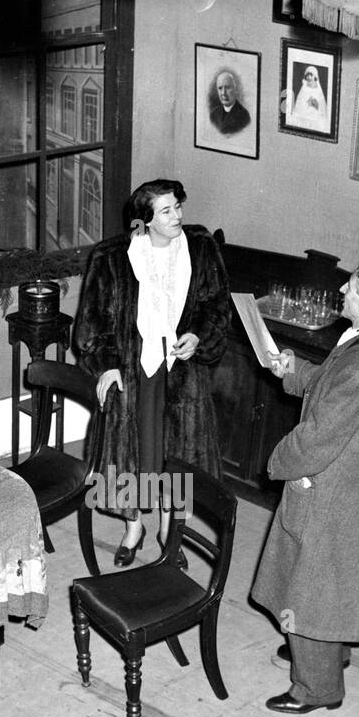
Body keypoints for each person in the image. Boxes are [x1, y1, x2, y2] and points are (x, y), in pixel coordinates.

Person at [250, 256, 359, 714]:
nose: (342, 290)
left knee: (311, 586)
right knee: (333, 580)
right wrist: (292, 369)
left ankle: (316, 687)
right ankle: (327, 656)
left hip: (329, 488)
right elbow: (329, 382)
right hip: (354, 486)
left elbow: (317, 438)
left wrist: (277, 461)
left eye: (350, 287)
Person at [73, 178, 231, 566]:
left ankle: (167, 529)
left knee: (173, 454)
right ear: (144, 221)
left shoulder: (201, 248)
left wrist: (198, 336)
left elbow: (217, 307)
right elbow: (91, 325)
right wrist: (106, 367)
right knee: (135, 455)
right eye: (166, 210)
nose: (177, 215)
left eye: (178, 206)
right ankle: (133, 527)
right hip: (133, 371)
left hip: (180, 372)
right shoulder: (112, 257)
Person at [287, 65, 328, 132]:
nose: (309, 77)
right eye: (307, 75)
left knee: (315, 118)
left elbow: (320, 100)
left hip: (314, 108)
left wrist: (314, 102)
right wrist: (306, 102)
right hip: (304, 107)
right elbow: (300, 98)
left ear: (315, 76)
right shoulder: (305, 85)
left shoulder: (317, 87)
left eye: (311, 75)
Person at [209, 70, 251, 135]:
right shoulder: (213, 114)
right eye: (220, 88)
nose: (223, 93)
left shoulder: (244, 116)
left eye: (228, 87)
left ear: (235, 89)